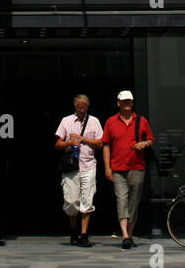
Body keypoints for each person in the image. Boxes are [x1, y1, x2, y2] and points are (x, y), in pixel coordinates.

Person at [102, 90, 155, 249]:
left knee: (134, 202)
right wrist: (107, 168)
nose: (127, 104)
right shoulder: (111, 122)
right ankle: (125, 235)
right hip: (118, 168)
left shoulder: (141, 120)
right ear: (118, 103)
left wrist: (144, 144)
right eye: (124, 101)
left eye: (129, 101)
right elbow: (106, 145)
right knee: (122, 200)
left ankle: (130, 233)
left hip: (137, 167)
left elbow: (151, 139)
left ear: (132, 103)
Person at [54, 93, 104, 246]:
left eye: (84, 107)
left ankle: (84, 234)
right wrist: (69, 142)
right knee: (71, 201)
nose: (82, 110)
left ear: (88, 107)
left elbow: (100, 143)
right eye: (79, 107)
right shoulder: (66, 121)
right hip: (71, 168)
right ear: (75, 107)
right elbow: (57, 144)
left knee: (87, 200)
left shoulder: (94, 121)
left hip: (88, 165)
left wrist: (84, 140)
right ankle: (73, 228)